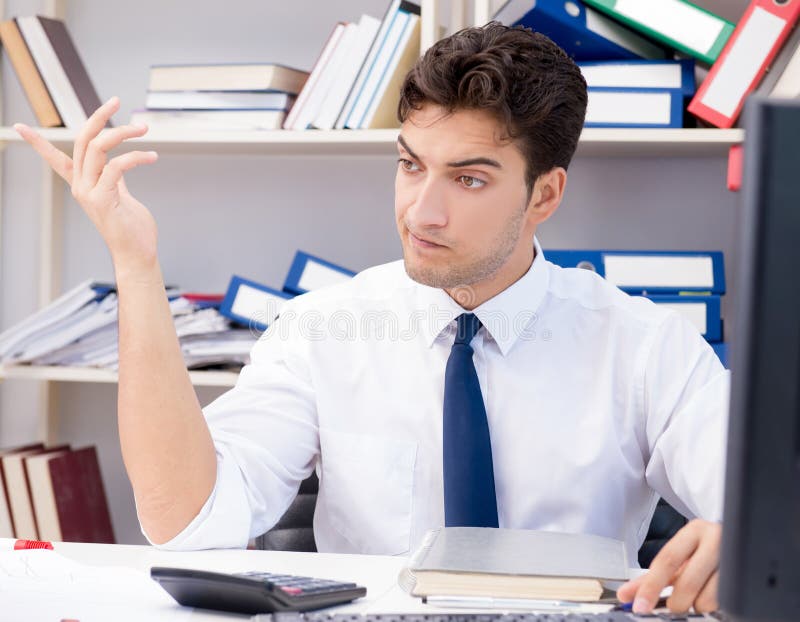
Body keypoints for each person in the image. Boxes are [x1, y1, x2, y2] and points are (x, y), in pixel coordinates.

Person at [15, 22, 729, 615]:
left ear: (545, 196)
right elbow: (187, 522)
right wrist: (136, 265)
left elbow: (757, 507)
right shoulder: (321, 330)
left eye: (469, 179)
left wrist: (742, 532)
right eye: (411, 165)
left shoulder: (643, 345)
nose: (422, 212)